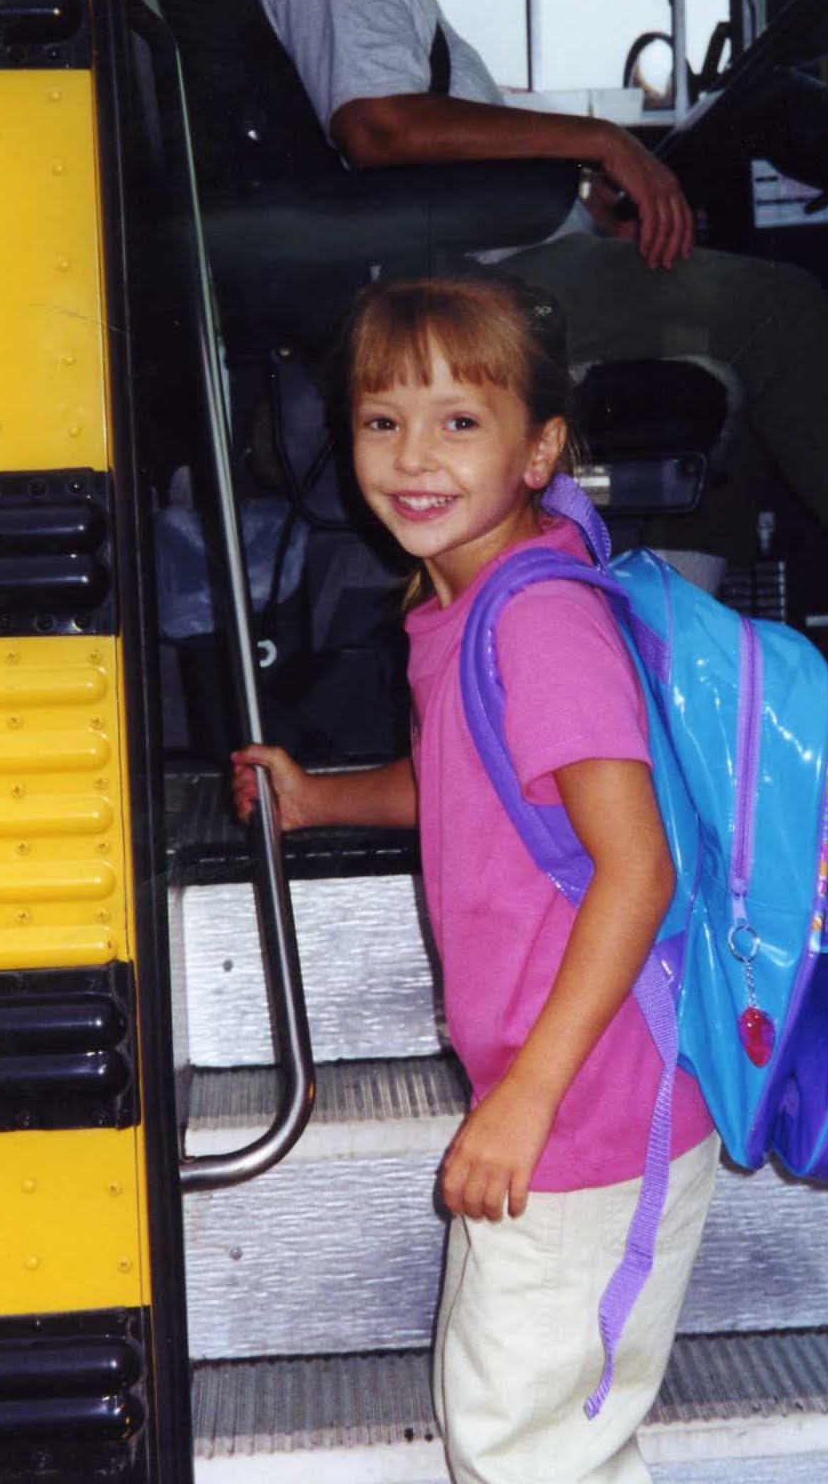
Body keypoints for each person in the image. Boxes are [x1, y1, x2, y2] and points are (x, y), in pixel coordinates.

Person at [231, 275, 719, 1482]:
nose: (413, 456)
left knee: (521, 1446)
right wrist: (322, 798)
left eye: (459, 421)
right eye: (380, 419)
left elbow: (636, 868)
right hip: (562, 1096)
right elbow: (469, 776)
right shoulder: (459, 604)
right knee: (521, 1426)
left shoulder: (535, 621)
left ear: (539, 446)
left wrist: (524, 1101)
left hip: (592, 1105)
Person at [253, 0, 828, 585]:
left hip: (492, 258)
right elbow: (379, 127)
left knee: (727, 358)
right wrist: (598, 139)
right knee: (776, 312)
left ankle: (674, 640)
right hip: (461, 290)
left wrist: (580, 207)